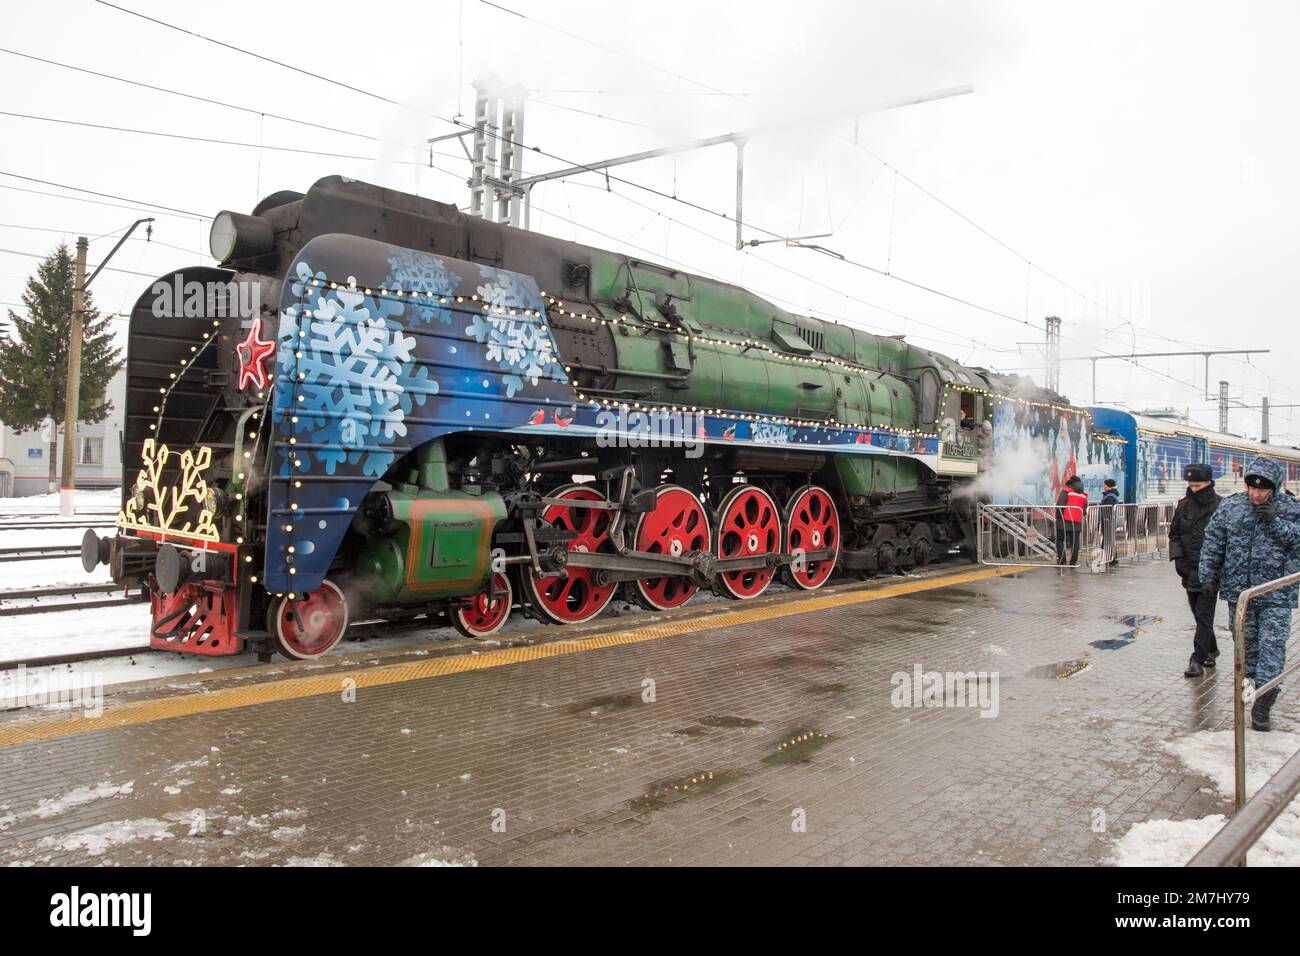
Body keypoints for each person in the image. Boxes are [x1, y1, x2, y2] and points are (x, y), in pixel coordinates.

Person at [1199, 457, 1300, 731]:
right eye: (1251, 488)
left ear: (1275, 487)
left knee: (1272, 648)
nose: (1256, 494)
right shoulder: (1231, 507)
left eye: (1263, 489)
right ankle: (1251, 692)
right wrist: (1207, 575)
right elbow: (1214, 541)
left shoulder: (1291, 509)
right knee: (1246, 649)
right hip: (1240, 594)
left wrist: (1276, 523)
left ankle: (1265, 703)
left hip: (1276, 595)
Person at [1169, 464, 1221, 677]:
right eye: (1190, 485)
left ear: (1209, 483)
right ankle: (1212, 649)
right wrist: (1178, 559)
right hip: (1189, 570)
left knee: (1203, 614)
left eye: (1197, 485)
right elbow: (1174, 534)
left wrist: (1218, 570)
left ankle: (1196, 659)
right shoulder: (1184, 506)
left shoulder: (1220, 506)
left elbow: (1226, 541)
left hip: (1211, 573)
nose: (1193, 488)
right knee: (1198, 614)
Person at [1054, 475, 1087, 567]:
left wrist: (1057, 517)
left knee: (1060, 540)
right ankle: (1073, 562)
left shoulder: (1066, 492)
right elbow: (1084, 510)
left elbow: (1060, 506)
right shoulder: (1083, 495)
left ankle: (1062, 560)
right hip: (1076, 523)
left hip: (1063, 522)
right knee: (1075, 543)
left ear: (1070, 484)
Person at [1100, 478, 1121, 565]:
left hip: (1108, 521)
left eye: (1104, 485)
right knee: (1108, 540)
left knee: (1107, 540)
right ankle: (1111, 558)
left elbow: (1108, 510)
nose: (1103, 486)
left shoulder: (1110, 497)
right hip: (1108, 521)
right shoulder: (1110, 495)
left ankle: (1111, 558)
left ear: (1108, 486)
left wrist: (1105, 520)